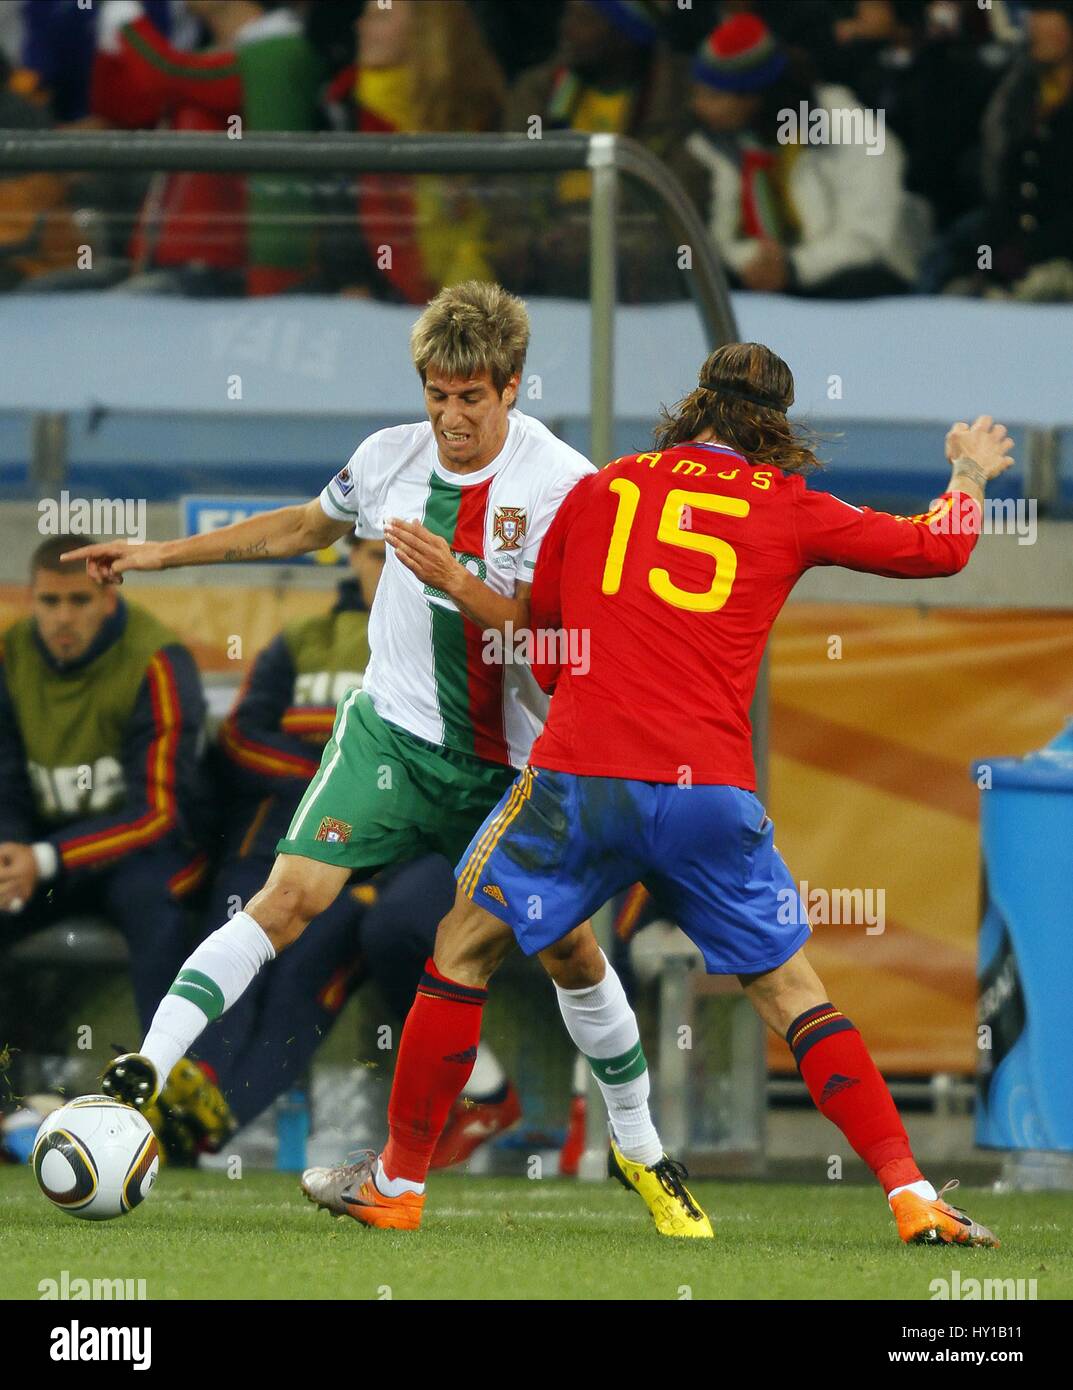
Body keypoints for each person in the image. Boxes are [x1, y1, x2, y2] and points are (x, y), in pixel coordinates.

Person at [319, 341, 1009, 1247]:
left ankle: (397, 1184)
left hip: (582, 778)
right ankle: (910, 1192)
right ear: (775, 426)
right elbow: (940, 549)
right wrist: (966, 473)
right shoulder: (790, 504)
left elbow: (545, 638)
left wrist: (522, 634)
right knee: (792, 991)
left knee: (461, 949)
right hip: (708, 794)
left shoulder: (603, 488)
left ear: (697, 404)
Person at [67, 281, 705, 1235]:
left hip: (515, 763)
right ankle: (141, 1080)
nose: (450, 418)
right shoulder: (385, 460)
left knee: (572, 949)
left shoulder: (569, 485)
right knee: (286, 901)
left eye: (471, 399)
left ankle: (642, 1151)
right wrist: (162, 556)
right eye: (436, 395)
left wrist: (464, 584)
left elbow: (570, 636)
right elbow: (300, 528)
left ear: (513, 389)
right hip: (393, 739)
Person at [169, 536, 519, 1165]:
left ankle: (208, 1128)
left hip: (406, 854)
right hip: (314, 833)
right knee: (246, 931)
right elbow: (241, 737)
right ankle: (176, 1094)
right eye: (370, 551)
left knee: (312, 965)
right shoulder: (302, 640)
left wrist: (371, 789)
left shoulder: (454, 638)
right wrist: (341, 777)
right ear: (350, 557)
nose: (381, 565)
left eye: (398, 555)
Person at [0, 535, 211, 1050]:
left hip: (147, 854)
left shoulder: (158, 661)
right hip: (45, 849)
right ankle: (14, 1095)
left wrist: (45, 859)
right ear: (31, 601)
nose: (63, 617)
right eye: (50, 601)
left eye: (80, 600)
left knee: (155, 911)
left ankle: (164, 1096)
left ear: (109, 599)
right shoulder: (10, 656)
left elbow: (159, 813)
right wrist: (9, 851)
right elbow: (5, 776)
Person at [674, 13, 930, 298]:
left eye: (712, 97)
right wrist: (752, 262)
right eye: (696, 94)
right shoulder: (714, 142)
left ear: (751, 97)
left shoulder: (850, 127)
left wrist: (794, 267)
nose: (698, 107)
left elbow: (868, 237)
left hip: (861, 274)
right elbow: (721, 231)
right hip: (771, 276)